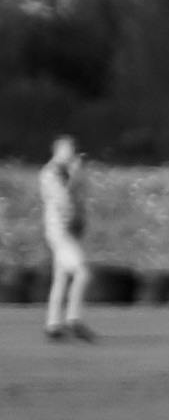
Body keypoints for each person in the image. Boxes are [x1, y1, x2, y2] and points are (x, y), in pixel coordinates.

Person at [39, 136, 94, 344]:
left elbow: (80, 200)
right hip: (59, 232)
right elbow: (64, 198)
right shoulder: (49, 173)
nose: (71, 153)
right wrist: (75, 176)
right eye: (68, 149)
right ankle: (73, 318)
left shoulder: (65, 172)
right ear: (58, 150)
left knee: (61, 276)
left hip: (69, 231)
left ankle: (52, 325)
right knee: (83, 273)